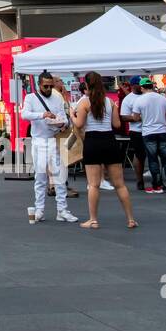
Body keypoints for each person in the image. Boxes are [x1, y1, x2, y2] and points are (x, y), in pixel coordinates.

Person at [72, 72, 136, 230]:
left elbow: (79, 124)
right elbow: (116, 125)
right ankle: (130, 219)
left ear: (86, 85)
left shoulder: (84, 103)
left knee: (93, 184)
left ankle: (93, 220)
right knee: (120, 184)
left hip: (93, 141)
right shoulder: (110, 102)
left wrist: (71, 115)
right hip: (109, 141)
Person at [20, 72, 78, 224]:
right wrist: (42, 115)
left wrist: (61, 123)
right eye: (45, 86)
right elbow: (24, 114)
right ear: (39, 85)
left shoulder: (56, 98)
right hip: (39, 141)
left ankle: (62, 210)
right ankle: (39, 210)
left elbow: (64, 118)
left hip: (54, 140)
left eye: (51, 86)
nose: (48, 89)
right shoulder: (30, 98)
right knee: (40, 177)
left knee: (60, 176)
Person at [128, 77, 166, 194]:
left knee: (153, 159)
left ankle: (157, 186)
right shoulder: (163, 98)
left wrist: (143, 117)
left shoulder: (139, 100)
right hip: (162, 131)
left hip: (148, 132)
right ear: (152, 86)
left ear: (142, 87)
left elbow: (135, 117)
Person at [118, 80, 146, 188]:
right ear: (134, 86)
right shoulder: (128, 99)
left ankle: (157, 180)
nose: (142, 86)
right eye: (140, 84)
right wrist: (136, 117)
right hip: (137, 131)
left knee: (154, 155)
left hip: (151, 131)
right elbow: (124, 117)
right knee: (139, 155)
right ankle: (140, 180)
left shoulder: (147, 95)